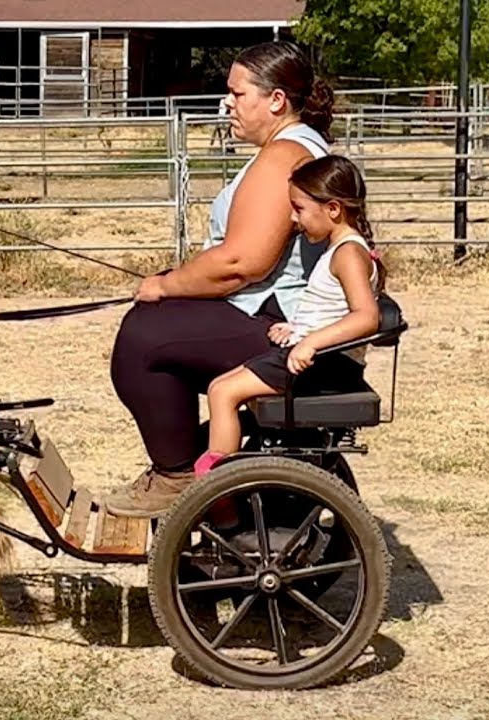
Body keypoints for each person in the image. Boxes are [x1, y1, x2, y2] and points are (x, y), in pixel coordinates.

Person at [104, 42, 336, 517]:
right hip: (274, 313)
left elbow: (242, 263)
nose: (226, 103)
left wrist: (167, 286)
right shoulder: (291, 148)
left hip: (283, 326)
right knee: (155, 323)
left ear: (275, 100)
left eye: (237, 93)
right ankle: (200, 471)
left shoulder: (285, 156)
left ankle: (179, 477)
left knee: (143, 340)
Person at [196, 155, 383, 485]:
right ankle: (220, 471)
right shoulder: (339, 249)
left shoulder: (348, 253)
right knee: (221, 385)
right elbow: (331, 309)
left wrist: (309, 342)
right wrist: (298, 329)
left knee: (223, 393)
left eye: (300, 209)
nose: (294, 219)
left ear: (333, 209)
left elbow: (366, 317)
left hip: (326, 364)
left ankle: (218, 488)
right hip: (316, 357)